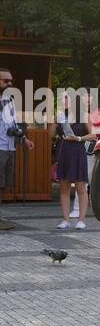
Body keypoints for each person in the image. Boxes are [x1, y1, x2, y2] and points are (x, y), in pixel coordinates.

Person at [52, 97, 97, 229]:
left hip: (78, 152)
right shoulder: (61, 116)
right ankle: (65, 220)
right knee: (64, 187)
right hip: (63, 152)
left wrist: (78, 138)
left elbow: (94, 135)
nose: (63, 101)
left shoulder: (84, 115)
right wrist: (54, 122)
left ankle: (81, 220)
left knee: (80, 187)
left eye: (66, 99)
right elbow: (51, 134)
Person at [0, 67, 36, 230]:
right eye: (5, 80)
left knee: (3, 183)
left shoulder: (10, 101)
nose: (9, 83)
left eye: (11, 81)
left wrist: (24, 138)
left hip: (9, 147)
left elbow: (14, 124)